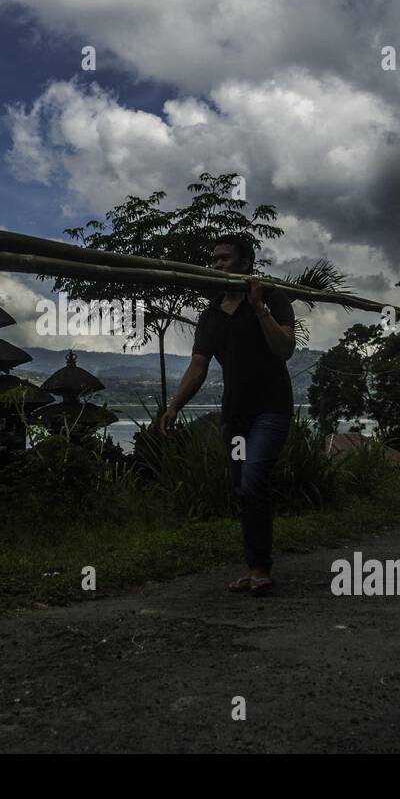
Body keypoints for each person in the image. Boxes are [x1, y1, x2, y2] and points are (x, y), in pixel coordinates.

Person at [160, 234, 296, 595]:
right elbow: (199, 365)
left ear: (245, 264)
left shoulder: (272, 297)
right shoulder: (210, 316)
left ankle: (260, 568)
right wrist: (174, 405)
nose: (216, 265)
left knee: (253, 478)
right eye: (214, 259)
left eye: (224, 259)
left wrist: (259, 307)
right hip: (235, 417)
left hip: (272, 410)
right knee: (243, 489)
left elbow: (284, 349)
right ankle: (256, 568)